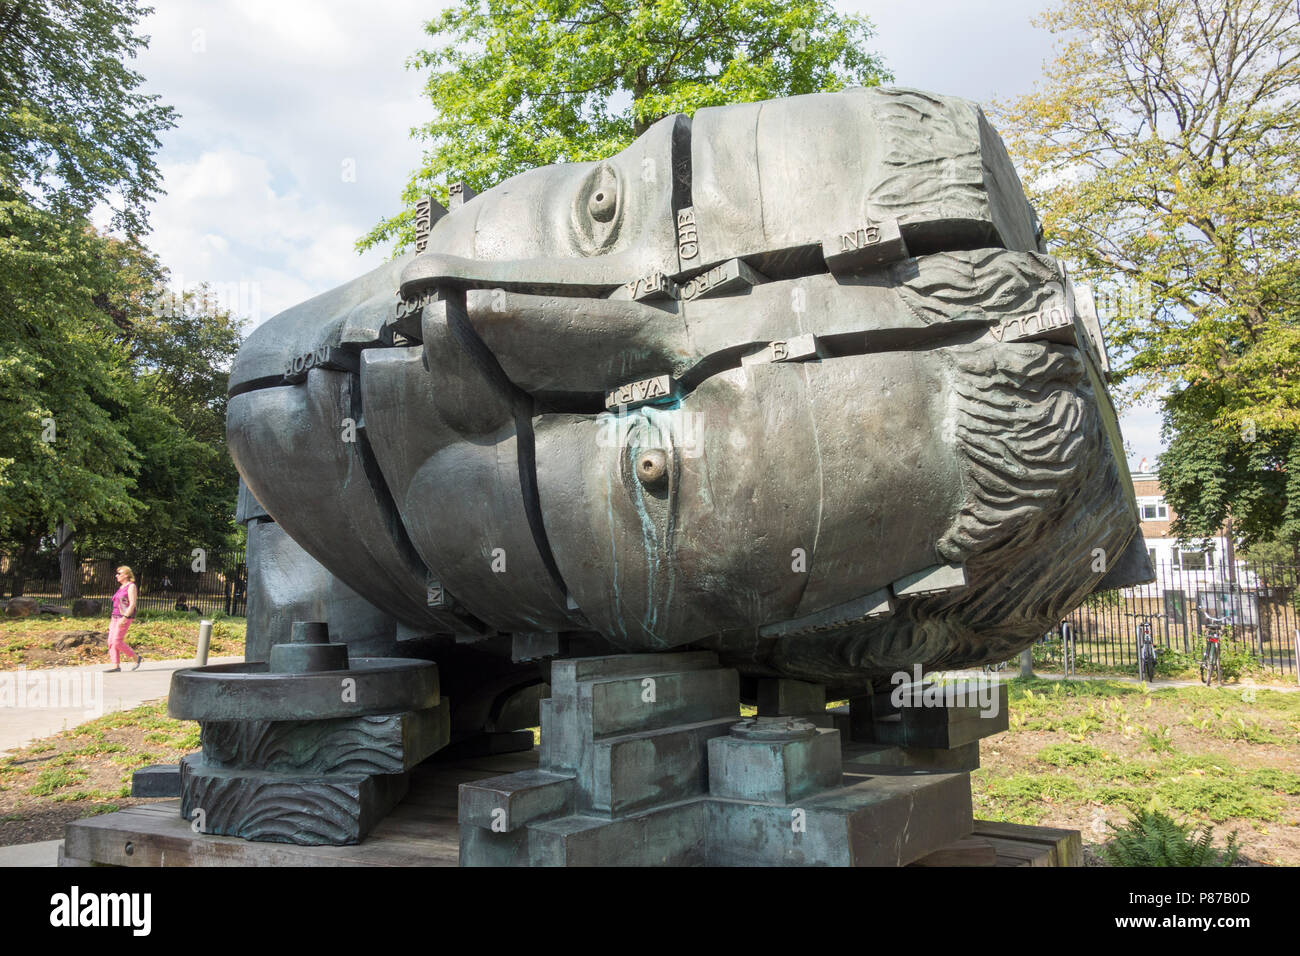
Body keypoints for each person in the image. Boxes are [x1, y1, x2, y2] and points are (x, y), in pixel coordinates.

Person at [108, 565, 143, 672]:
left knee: (116, 641)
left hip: (124, 617)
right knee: (110, 641)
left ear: (126, 575)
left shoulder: (131, 586)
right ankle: (116, 666)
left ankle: (135, 657)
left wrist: (125, 617)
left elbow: (132, 604)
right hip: (115, 617)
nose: (117, 575)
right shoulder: (121, 587)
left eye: (119, 573)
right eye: (117, 573)